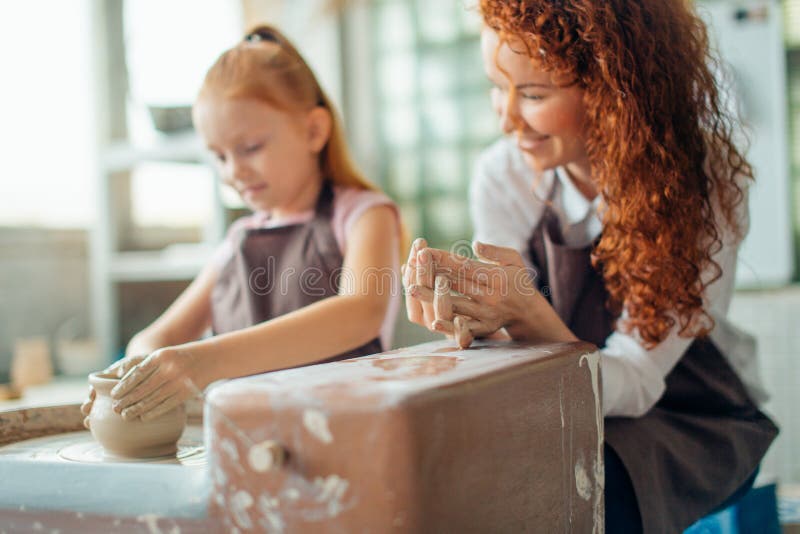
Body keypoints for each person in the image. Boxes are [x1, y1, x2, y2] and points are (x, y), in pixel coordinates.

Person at [402, 1, 778, 532]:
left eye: (533, 94)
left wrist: (527, 312)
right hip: (567, 399)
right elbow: (516, 358)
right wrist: (472, 322)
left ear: (614, 90)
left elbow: (638, 379)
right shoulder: (503, 175)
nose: (507, 118)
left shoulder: (703, 181)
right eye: (496, 85)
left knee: (587, 493)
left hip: (692, 416)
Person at [81, 25, 402, 426]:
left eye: (250, 148)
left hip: (348, 437)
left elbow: (360, 312)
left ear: (314, 131)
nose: (234, 171)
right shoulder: (237, 240)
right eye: (219, 156)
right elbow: (158, 336)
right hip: (247, 441)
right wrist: (134, 370)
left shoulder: (364, 215)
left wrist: (202, 361)